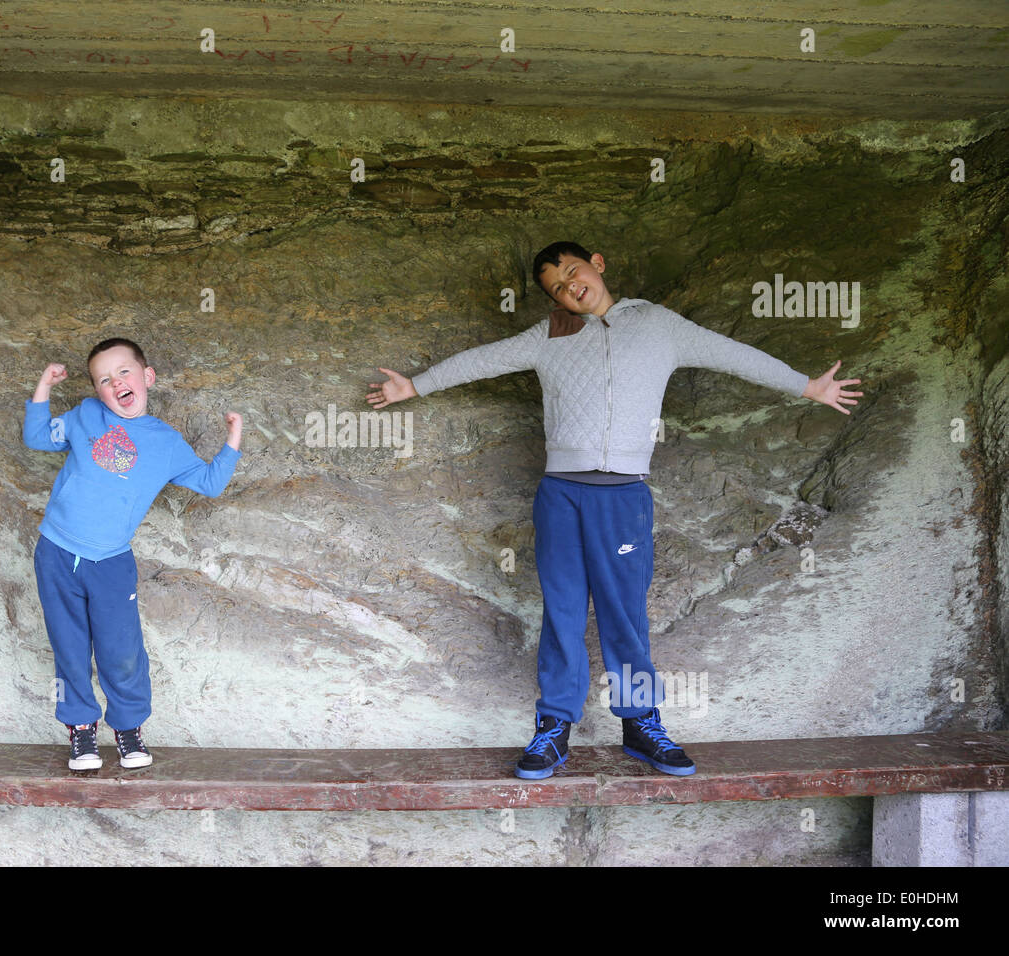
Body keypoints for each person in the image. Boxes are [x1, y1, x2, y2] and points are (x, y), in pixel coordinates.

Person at [367, 242, 862, 779]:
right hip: (560, 496)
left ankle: (642, 725)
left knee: (624, 617)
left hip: (623, 497)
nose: (570, 287)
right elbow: (485, 359)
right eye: (557, 286)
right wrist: (414, 385)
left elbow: (731, 353)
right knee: (561, 615)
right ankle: (554, 729)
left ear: (597, 264)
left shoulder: (657, 324)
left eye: (573, 272)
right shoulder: (550, 334)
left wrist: (807, 386)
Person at [24, 337, 243, 770]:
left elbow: (210, 483)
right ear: (97, 390)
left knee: (121, 651)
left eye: (123, 372)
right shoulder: (86, 415)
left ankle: (128, 729)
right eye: (104, 379)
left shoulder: (165, 442)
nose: (115, 382)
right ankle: (81, 732)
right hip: (56, 553)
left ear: (147, 377)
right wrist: (44, 384)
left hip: (110, 563)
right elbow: (36, 437)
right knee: (67, 647)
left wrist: (233, 438)